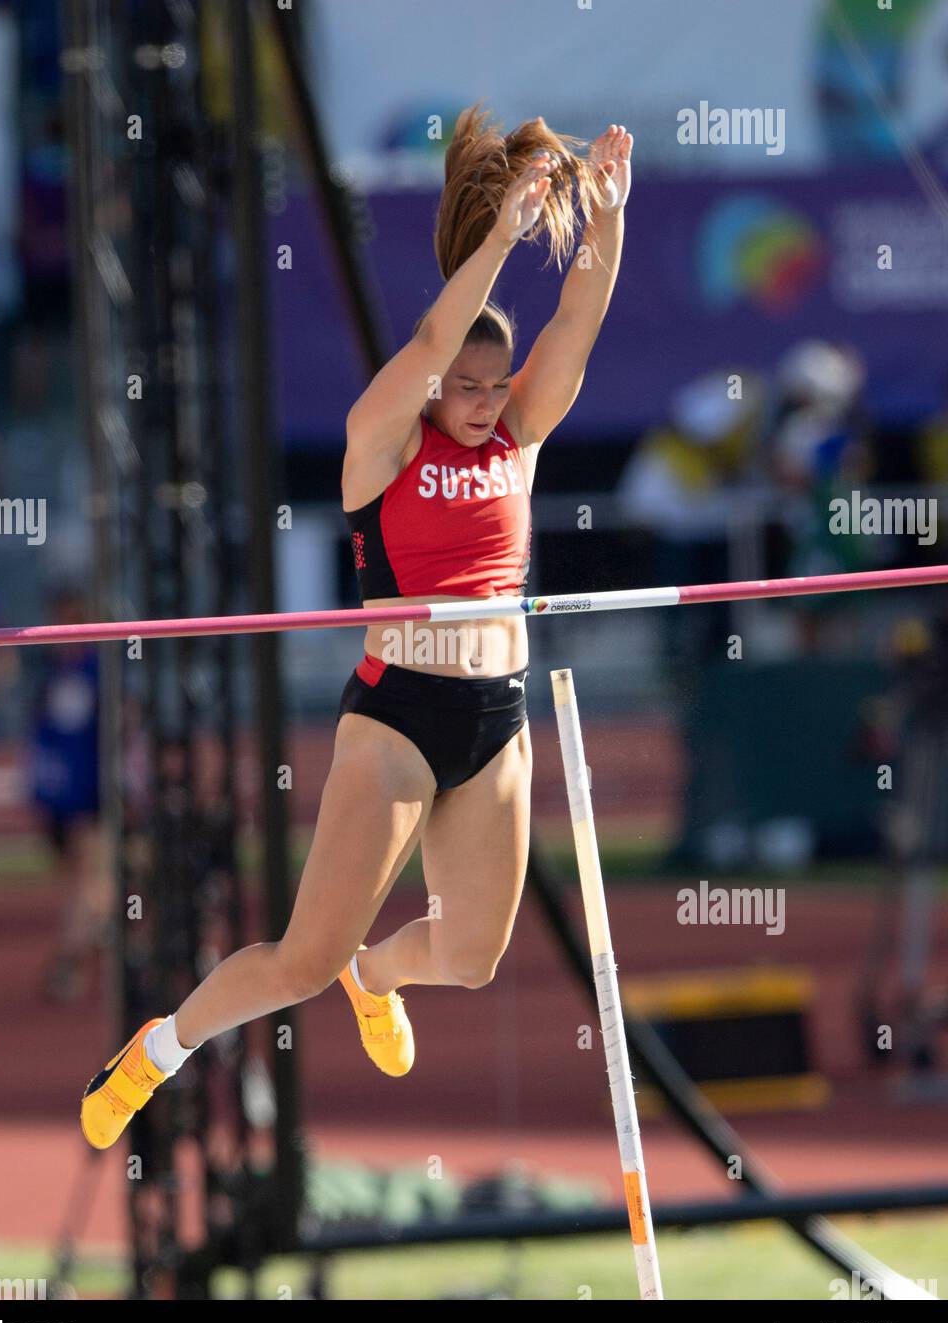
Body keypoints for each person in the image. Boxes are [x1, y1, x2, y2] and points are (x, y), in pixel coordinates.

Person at [81, 107, 633, 1149]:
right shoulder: (379, 444)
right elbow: (433, 340)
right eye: (461, 389)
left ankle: (377, 975)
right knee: (299, 959)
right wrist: (503, 237)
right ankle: (158, 1051)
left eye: (490, 386)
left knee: (470, 955)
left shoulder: (517, 438)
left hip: (497, 717)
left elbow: (578, 321)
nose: (478, 402)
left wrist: (607, 216)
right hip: (397, 722)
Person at [28, 589, 109, 1002]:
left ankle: (70, 961)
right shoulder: (50, 672)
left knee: (91, 878)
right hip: (58, 796)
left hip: (90, 794)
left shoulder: (98, 671)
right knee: (82, 880)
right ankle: (93, 938)